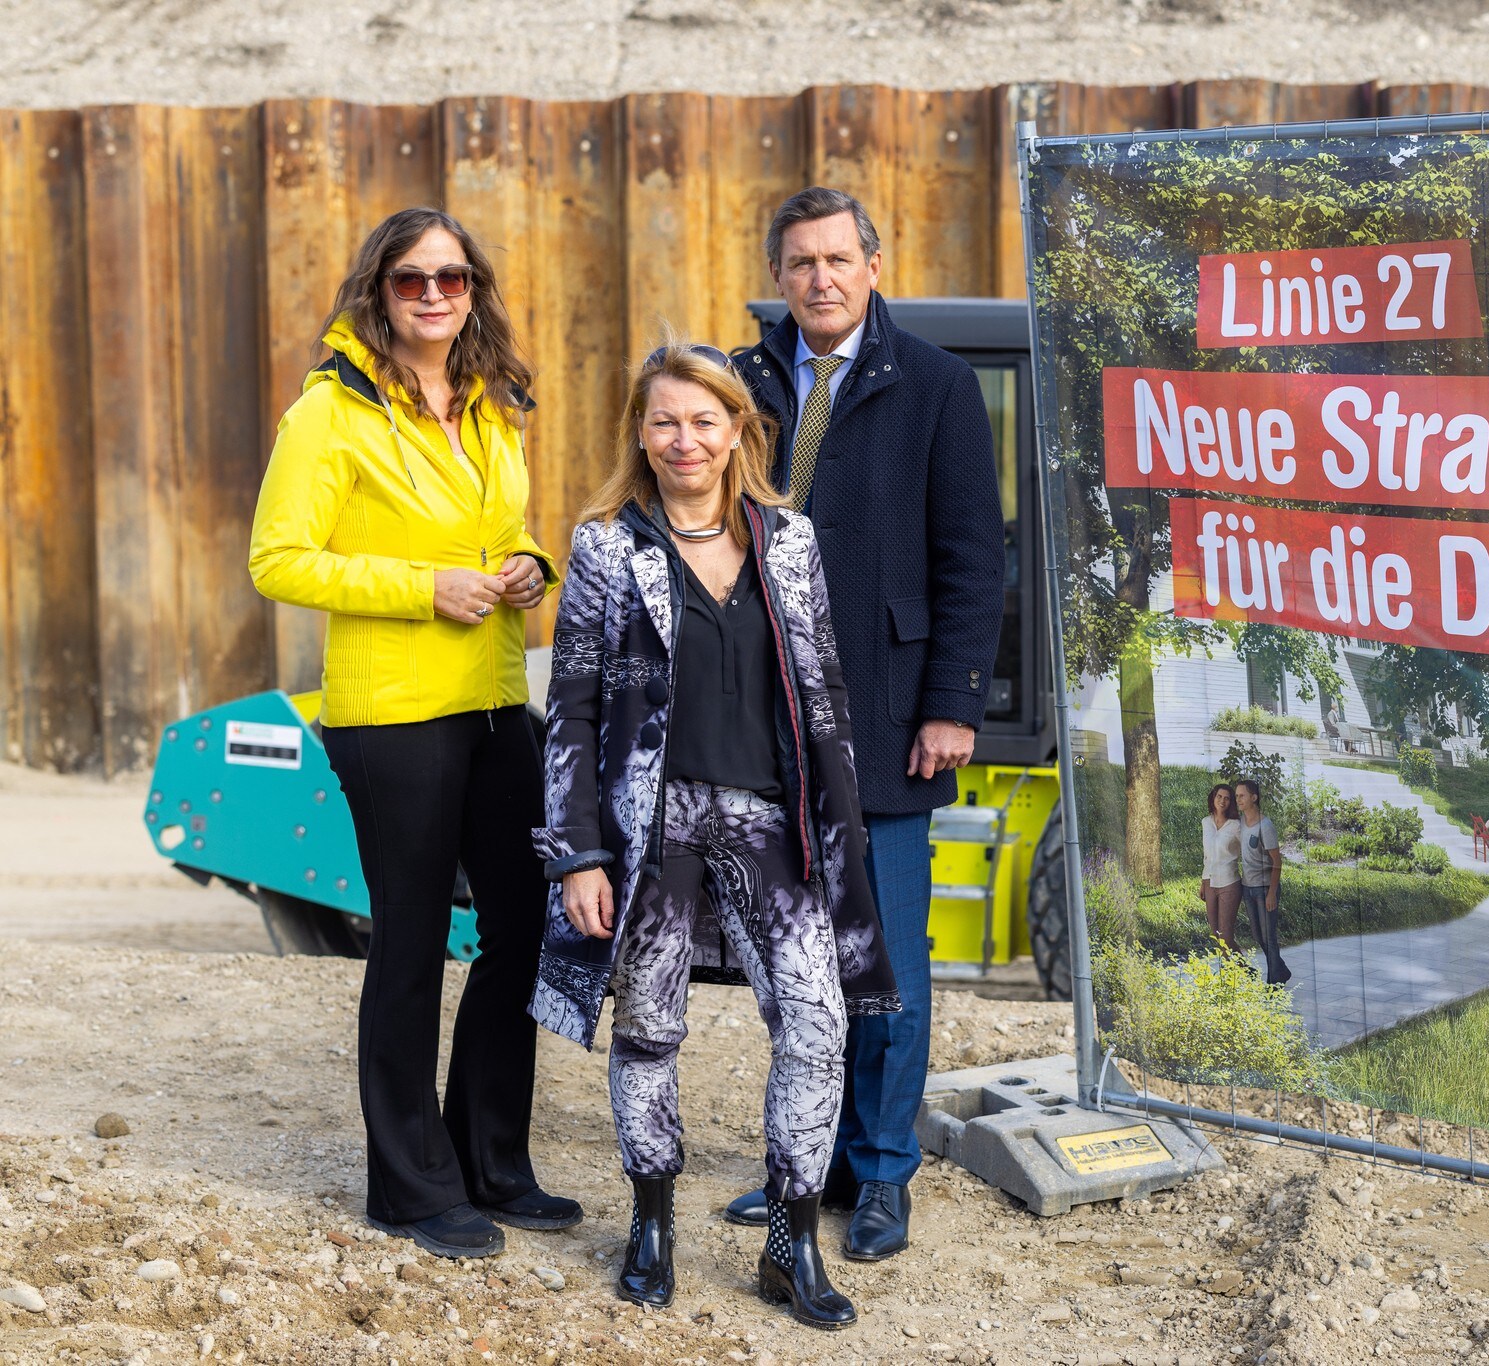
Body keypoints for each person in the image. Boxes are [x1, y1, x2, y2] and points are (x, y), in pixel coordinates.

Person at [529, 343, 898, 1327]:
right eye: (663, 421)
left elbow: (823, 701)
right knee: (648, 1022)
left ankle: (791, 1240)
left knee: (818, 1019)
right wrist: (577, 853)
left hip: (772, 821)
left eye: (703, 420)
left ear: (738, 428)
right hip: (649, 825)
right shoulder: (607, 544)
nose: (683, 439)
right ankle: (651, 1219)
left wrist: (837, 836)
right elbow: (569, 709)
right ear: (639, 435)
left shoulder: (788, 540)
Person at [248, 208, 579, 1258]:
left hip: (489, 697)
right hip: (393, 712)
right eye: (410, 278)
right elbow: (279, 559)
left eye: (452, 276)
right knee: (409, 944)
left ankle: (490, 1157)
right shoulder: (327, 416)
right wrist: (416, 588)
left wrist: (528, 561)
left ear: (473, 288)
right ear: (376, 289)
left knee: (525, 921)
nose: (433, 293)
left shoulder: (490, 404)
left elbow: (501, 529)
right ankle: (410, 1182)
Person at [722, 187, 1004, 1260]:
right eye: (800, 264)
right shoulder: (742, 382)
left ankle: (881, 1174)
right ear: (781, 277)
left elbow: (973, 559)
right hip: (760, 718)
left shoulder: (933, 384)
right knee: (795, 957)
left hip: (887, 717)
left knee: (883, 963)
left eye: (838, 259)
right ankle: (809, 1161)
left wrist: (951, 703)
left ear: (873, 265)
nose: (820, 280)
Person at [1234, 779, 1290, 985]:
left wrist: (1272, 893)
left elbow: (1277, 862)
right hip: (1248, 887)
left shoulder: (1265, 826)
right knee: (1258, 936)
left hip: (1265, 888)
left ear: (1254, 798)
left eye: (1242, 795)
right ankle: (1281, 970)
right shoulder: (1241, 821)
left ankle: (1274, 981)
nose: (1237, 799)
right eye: (1237, 795)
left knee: (1269, 937)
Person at [1200, 784, 1245, 949]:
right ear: (1213, 798)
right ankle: (1244, 970)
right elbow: (1207, 856)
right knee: (1215, 933)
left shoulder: (1236, 826)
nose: (1222, 801)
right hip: (1209, 882)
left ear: (1231, 802)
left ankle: (1232, 972)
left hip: (1229, 883)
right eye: (1219, 796)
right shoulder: (1206, 822)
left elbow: (1248, 850)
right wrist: (1203, 881)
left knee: (1225, 935)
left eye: (1227, 798)